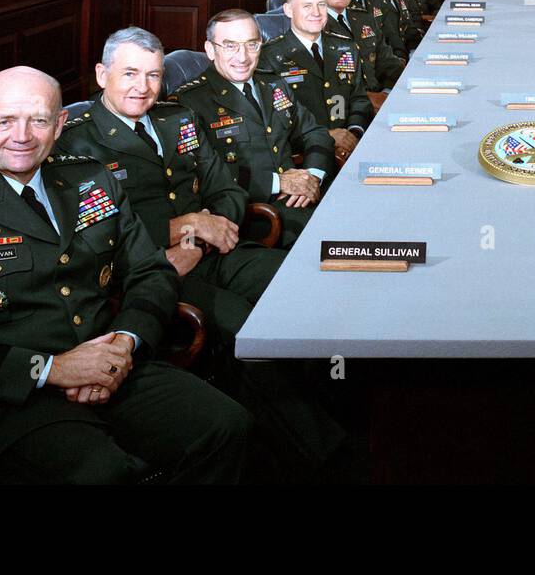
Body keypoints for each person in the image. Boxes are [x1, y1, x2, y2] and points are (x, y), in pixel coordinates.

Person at [0, 66, 251, 484]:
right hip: (7, 400)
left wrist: (123, 344)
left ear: (59, 124)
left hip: (110, 365)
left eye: (38, 120)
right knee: (102, 473)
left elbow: (151, 271)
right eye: (5, 121)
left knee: (226, 425)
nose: (22, 136)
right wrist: (52, 369)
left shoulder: (92, 178)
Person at [59, 28, 343, 473]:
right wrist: (182, 227)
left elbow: (226, 189)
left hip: (213, 249)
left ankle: (337, 402)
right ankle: (319, 456)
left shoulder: (178, 117)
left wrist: (197, 235)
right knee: (244, 328)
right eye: (129, 74)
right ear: (101, 75)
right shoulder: (76, 142)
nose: (142, 87)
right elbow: (95, 232)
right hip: (154, 271)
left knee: (303, 283)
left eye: (153, 75)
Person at [170, 9, 334, 248]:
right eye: (230, 46)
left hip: (301, 197)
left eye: (251, 44)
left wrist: (313, 175)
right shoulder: (190, 103)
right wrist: (278, 182)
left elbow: (314, 132)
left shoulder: (273, 83)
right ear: (210, 50)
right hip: (255, 215)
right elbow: (205, 177)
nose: (243, 57)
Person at [258, 0, 374, 157]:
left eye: (321, 4)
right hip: (304, 155)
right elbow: (275, 120)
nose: (316, 12)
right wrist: (326, 136)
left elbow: (359, 98)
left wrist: (354, 132)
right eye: (307, 6)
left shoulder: (345, 47)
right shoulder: (269, 57)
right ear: (288, 10)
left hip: (351, 147)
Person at [321, 0, 405, 92]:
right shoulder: (315, 25)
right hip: (347, 101)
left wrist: (391, 89)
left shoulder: (364, 18)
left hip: (379, 95)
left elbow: (387, 62)